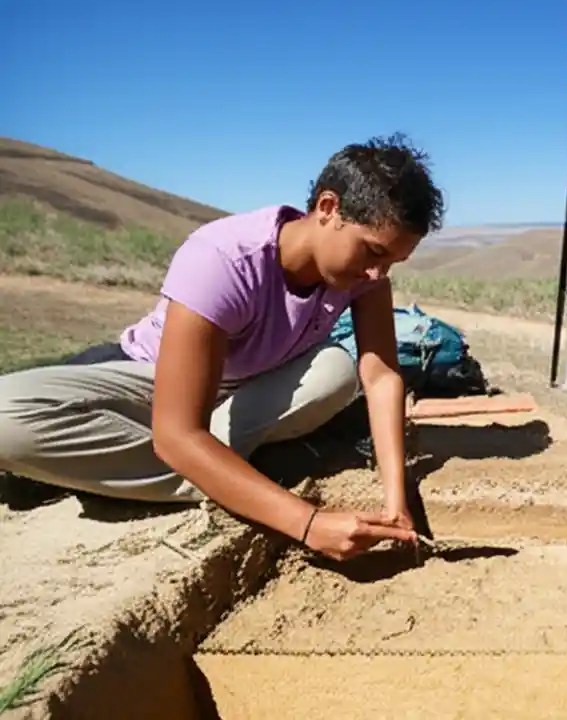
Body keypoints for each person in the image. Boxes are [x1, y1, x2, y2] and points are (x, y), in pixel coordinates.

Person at [0, 133, 444, 562]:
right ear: (328, 208)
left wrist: (395, 499)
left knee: (337, 372)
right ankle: (220, 470)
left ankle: (180, 470)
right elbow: (175, 430)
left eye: (391, 264)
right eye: (372, 253)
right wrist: (307, 523)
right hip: (156, 380)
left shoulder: (363, 278)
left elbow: (381, 374)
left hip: (248, 390)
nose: (378, 276)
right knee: (7, 416)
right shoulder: (224, 258)